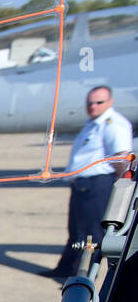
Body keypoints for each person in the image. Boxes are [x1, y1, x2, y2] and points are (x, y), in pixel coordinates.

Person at [41, 85, 133, 277]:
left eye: (99, 102)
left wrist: (122, 190)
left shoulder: (113, 124)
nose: (93, 106)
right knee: (75, 230)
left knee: (91, 234)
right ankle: (65, 269)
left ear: (110, 102)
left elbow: (121, 158)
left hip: (97, 186)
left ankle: (82, 278)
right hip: (82, 186)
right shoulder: (93, 123)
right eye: (89, 103)